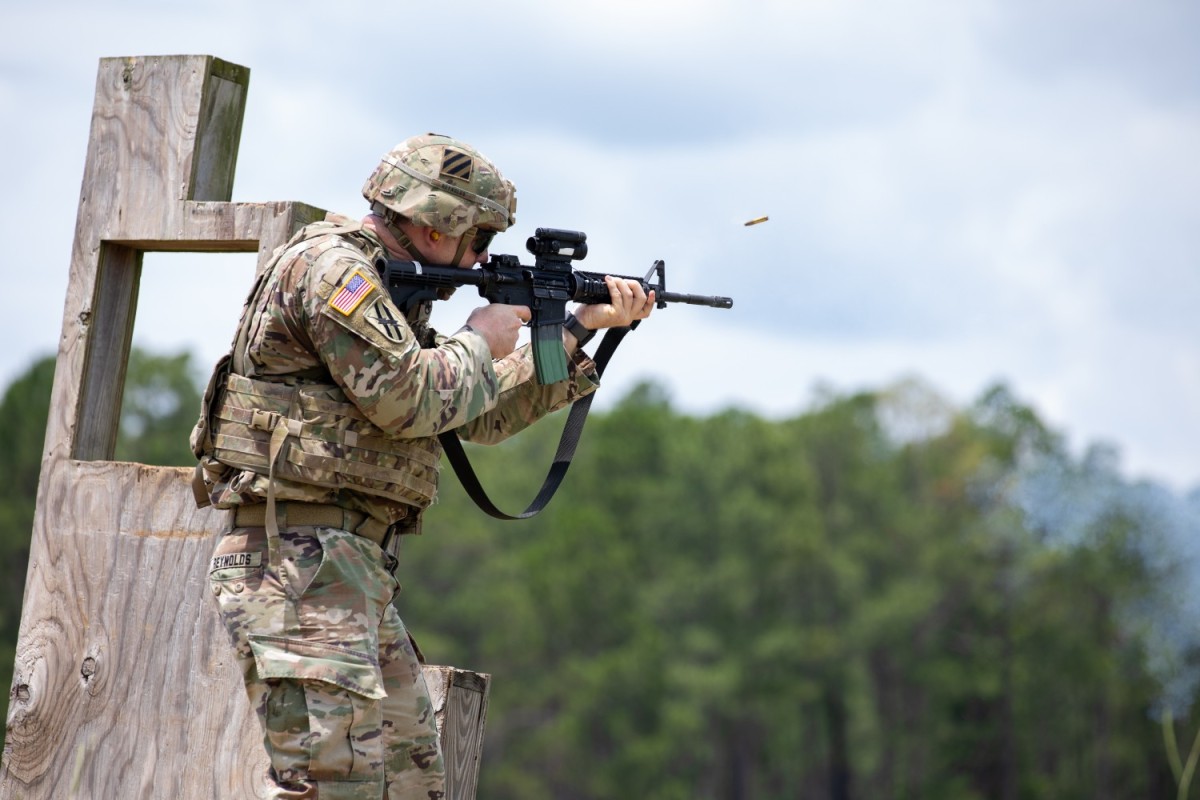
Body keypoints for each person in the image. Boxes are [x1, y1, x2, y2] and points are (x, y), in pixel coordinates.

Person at [190, 132, 654, 798]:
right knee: (330, 784)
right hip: (299, 560)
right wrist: (478, 339)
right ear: (436, 225)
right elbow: (409, 399)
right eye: (478, 237)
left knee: (409, 784)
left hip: (343, 565)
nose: (483, 256)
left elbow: (476, 415)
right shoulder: (333, 271)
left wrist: (580, 328)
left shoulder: (389, 292)